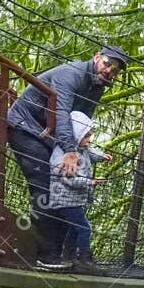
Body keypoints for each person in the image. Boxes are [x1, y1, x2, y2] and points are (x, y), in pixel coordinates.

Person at [7, 46, 128, 266]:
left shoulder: (97, 85)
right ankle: (45, 254)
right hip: (25, 127)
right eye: (108, 63)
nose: (110, 70)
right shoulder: (71, 74)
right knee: (45, 186)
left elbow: (81, 120)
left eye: (116, 69)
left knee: (63, 188)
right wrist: (70, 152)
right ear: (96, 57)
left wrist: (85, 149)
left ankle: (65, 253)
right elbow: (61, 112)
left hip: (49, 136)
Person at [45, 111, 110, 270]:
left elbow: (90, 153)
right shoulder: (62, 155)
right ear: (76, 135)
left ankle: (68, 256)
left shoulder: (80, 148)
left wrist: (102, 156)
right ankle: (84, 258)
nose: (89, 140)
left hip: (74, 199)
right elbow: (69, 178)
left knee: (75, 229)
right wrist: (90, 182)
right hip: (65, 200)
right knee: (84, 228)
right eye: (86, 136)